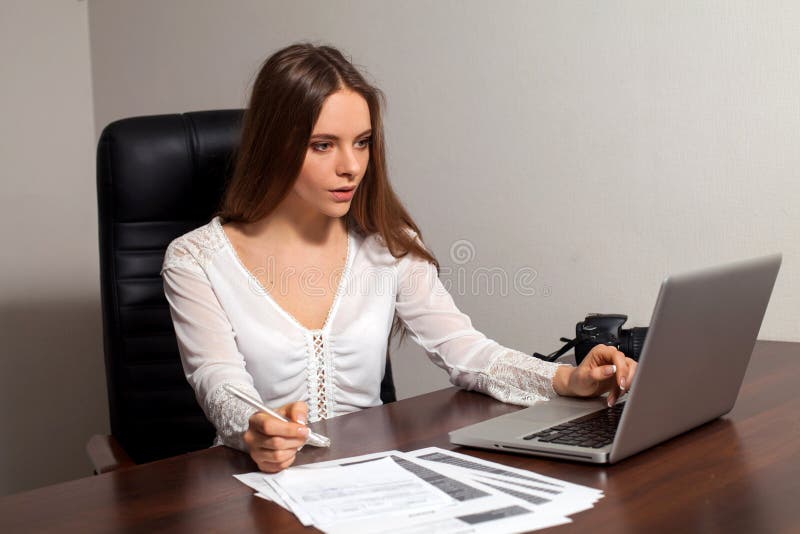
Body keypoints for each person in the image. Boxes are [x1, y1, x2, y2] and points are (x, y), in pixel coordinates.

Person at [161, 43, 637, 473]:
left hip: (371, 483)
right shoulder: (196, 259)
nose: (351, 166)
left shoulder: (388, 245)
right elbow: (217, 379)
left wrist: (566, 378)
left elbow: (467, 351)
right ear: (273, 145)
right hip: (251, 489)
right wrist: (256, 427)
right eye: (322, 145)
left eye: (362, 142)